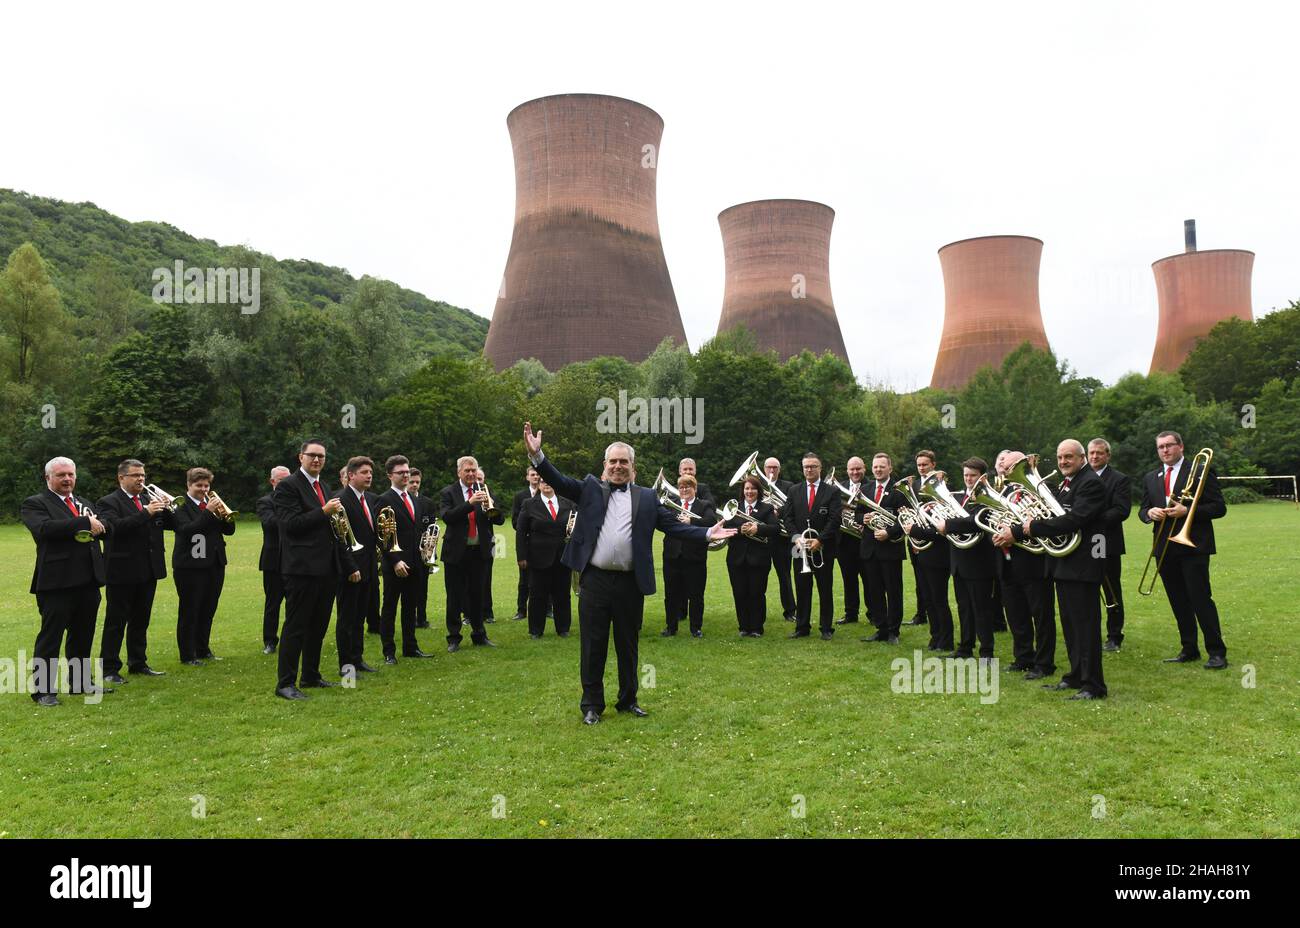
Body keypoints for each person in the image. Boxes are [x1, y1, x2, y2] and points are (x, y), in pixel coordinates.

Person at [524, 422, 734, 724]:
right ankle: (592, 705)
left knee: (628, 644)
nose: (618, 466)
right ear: (605, 465)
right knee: (592, 645)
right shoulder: (589, 489)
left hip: (629, 583)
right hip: (594, 580)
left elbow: (673, 526)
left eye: (624, 461)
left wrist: (705, 533)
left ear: (633, 467)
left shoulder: (647, 498)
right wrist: (537, 456)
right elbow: (557, 480)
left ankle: (628, 699)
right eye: (614, 461)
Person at [999, 440, 1109, 699]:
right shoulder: (1066, 483)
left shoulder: (1091, 483)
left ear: (1082, 457)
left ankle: (1093, 685)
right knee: (1071, 627)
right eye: (1060, 457)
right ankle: (1075, 676)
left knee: (1086, 628)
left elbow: (1073, 520)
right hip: (1064, 564)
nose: (1063, 462)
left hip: (1083, 565)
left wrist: (1027, 528)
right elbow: (1052, 515)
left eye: (1069, 457)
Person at [273, 439, 359, 699]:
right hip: (301, 568)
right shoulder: (288, 486)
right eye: (312, 455)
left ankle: (310, 675)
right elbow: (289, 525)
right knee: (296, 626)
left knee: (318, 626)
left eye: (321, 456)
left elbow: (333, 529)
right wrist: (323, 511)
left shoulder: (323, 486)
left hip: (327, 567)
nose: (317, 460)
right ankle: (285, 683)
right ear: (301, 457)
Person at [22, 456, 111, 706]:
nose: (67, 479)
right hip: (56, 583)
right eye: (61, 475)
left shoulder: (84, 503)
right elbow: (45, 529)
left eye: (71, 474)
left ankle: (80, 682)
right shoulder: (35, 504)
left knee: (83, 634)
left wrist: (102, 526)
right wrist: (85, 522)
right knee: (51, 638)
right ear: (48, 478)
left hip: (89, 580)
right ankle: (42, 691)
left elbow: (105, 528)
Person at [1137, 431, 1228, 669]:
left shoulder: (1199, 470)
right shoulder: (1151, 477)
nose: (1164, 450)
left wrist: (1187, 512)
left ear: (1180, 446)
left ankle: (1216, 652)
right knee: (1178, 600)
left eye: (1169, 446)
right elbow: (1142, 508)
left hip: (1193, 545)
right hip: (1164, 547)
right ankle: (1189, 648)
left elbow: (1219, 507)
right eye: (1160, 447)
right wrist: (1149, 513)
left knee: (1200, 598)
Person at [95, 459, 175, 683]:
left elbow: (172, 524)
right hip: (121, 570)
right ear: (122, 478)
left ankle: (138, 663)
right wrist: (146, 513)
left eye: (143, 475)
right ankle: (109, 669)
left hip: (148, 569)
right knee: (116, 621)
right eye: (135, 475)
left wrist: (168, 507)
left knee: (141, 620)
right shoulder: (108, 502)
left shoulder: (148, 499)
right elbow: (114, 528)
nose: (141, 479)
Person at [914, 460, 998, 660]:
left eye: (973, 475)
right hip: (959, 561)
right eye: (966, 475)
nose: (969, 479)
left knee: (981, 610)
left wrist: (948, 525)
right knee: (964, 607)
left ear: (982, 477)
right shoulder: (959, 497)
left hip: (979, 562)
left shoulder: (987, 497)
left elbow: (977, 521)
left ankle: (987, 652)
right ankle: (965, 649)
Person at [989, 451, 1056, 678]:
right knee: (1016, 614)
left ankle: (1045, 663)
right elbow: (996, 519)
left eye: (1012, 467)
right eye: (1006, 468)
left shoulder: (1040, 489)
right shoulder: (1005, 492)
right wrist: (997, 533)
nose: (1008, 472)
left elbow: (1045, 521)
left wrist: (1014, 534)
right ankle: (1023, 657)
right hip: (1007, 562)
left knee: (1041, 615)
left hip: (1033, 562)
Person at [172, 467, 235, 666]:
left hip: (214, 563)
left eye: (206, 485)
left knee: (208, 609)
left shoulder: (212, 503)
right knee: (190, 610)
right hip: (190, 566)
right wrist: (208, 513)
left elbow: (230, 530)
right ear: (189, 485)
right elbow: (187, 530)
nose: (203, 489)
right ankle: (187, 654)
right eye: (199, 485)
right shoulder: (180, 506)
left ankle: (202, 649)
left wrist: (224, 515)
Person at [438, 456, 502, 651]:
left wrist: (490, 508)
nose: (471, 474)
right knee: (455, 596)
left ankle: (479, 634)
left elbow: (498, 520)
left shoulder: (484, 490)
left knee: (477, 595)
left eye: (474, 470)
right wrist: (469, 503)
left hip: (479, 552)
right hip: (456, 553)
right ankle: (454, 638)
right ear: (459, 472)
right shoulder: (448, 492)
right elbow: (447, 517)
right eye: (467, 470)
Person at [375, 455, 432, 662]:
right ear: (390, 475)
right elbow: (382, 535)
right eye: (401, 472)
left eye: (407, 471)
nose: (406, 475)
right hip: (396, 564)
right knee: (389, 608)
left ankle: (410, 647)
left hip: (416, 562)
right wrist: (395, 560)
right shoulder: (384, 499)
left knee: (410, 607)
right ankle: (389, 652)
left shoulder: (414, 499)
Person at [783, 451, 842, 640]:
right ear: (803, 469)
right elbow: (788, 517)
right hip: (799, 548)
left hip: (822, 548)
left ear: (820, 468)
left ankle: (826, 628)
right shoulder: (794, 490)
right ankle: (802, 627)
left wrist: (820, 539)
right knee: (802, 588)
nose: (809, 469)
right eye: (806, 466)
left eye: (813, 466)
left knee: (825, 589)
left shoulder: (832, 491)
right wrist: (796, 537)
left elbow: (835, 518)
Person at [335, 456, 380, 676]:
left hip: (369, 568)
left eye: (370, 472)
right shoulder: (340, 500)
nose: (369, 475)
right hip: (350, 570)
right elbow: (339, 539)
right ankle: (346, 666)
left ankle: (357, 659)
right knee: (347, 619)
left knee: (360, 617)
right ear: (351, 475)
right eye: (364, 472)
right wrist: (351, 567)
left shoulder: (370, 499)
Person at [515, 478, 574, 638]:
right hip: (538, 557)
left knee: (562, 594)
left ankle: (563, 628)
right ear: (538, 485)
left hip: (563, 557)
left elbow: (574, 529)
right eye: (542, 481)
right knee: (537, 595)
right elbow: (521, 532)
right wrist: (521, 556)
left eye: (548, 480)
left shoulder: (568, 504)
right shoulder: (528, 504)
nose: (546, 483)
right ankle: (536, 630)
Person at [1088, 439, 1132, 652]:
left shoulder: (1119, 479)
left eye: (1099, 453)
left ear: (1108, 455)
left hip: (1106, 541)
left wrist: (1090, 521)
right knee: (1087, 589)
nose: (1094, 457)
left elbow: (1121, 510)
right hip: (1082, 542)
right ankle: (1090, 632)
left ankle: (1115, 635)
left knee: (1111, 589)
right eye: (1091, 453)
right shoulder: (1080, 476)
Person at [859, 453, 906, 644]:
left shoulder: (899, 491)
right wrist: (862, 518)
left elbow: (906, 520)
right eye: (875, 466)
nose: (878, 469)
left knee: (893, 591)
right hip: (870, 548)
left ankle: (894, 631)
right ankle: (881, 628)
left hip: (890, 548)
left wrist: (889, 532)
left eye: (882, 466)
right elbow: (857, 513)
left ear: (890, 469)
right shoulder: (866, 488)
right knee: (874, 590)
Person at [660, 474, 716, 637]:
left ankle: (695, 628)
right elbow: (663, 523)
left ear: (695, 489)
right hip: (672, 556)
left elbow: (711, 522)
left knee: (696, 595)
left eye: (687, 487)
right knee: (671, 594)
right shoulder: (672, 505)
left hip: (695, 557)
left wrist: (691, 522)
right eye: (681, 487)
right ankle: (671, 627)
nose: (684, 490)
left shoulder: (704, 505)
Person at [724, 475, 779, 637]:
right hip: (736, 558)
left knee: (756, 593)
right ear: (743, 491)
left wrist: (758, 529)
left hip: (759, 559)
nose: (749, 491)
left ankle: (756, 628)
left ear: (758, 491)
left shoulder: (766, 508)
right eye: (747, 488)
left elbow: (775, 529)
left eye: (753, 488)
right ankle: (743, 627)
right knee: (739, 593)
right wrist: (741, 529)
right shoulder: (734, 507)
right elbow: (726, 527)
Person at [257, 465, 290, 653]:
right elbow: (270, 523)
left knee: (295, 602)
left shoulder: (296, 499)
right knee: (272, 603)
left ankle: (292, 638)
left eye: (287, 480)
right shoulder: (265, 501)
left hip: (294, 559)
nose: (285, 484)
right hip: (273, 561)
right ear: (272, 482)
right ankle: (270, 641)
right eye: (280, 481)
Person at [835, 456, 869, 626]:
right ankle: (851, 613)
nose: (855, 472)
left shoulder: (870, 486)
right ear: (847, 470)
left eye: (858, 469)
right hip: (845, 541)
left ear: (864, 469)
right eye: (852, 469)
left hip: (865, 541)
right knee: (848, 579)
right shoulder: (838, 487)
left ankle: (874, 613)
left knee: (870, 579)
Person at [763, 456, 797, 622]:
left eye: (775, 467)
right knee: (759, 576)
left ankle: (790, 611)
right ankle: (757, 610)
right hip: (762, 538)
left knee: (784, 575)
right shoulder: (757, 486)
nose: (771, 470)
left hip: (782, 539)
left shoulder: (788, 486)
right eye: (769, 467)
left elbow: (792, 505)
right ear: (764, 469)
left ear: (779, 469)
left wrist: (777, 511)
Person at [907, 451, 938, 626]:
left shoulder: (939, 483)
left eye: (925, 464)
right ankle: (921, 614)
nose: (921, 468)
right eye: (919, 465)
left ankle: (929, 615)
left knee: (931, 584)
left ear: (933, 464)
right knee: (920, 580)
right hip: (915, 538)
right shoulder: (915, 484)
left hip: (932, 538)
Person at [510, 465, 541, 621]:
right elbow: (515, 520)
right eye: (533, 474)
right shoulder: (520, 496)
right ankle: (521, 610)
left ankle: (547, 609)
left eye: (538, 475)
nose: (536, 477)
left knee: (545, 576)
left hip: (543, 543)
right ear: (527, 477)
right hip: (527, 542)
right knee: (524, 579)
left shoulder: (548, 493)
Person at [407, 467, 432, 630]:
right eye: (412, 482)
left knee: (423, 586)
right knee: (409, 588)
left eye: (417, 482)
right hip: (408, 551)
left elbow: (431, 527)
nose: (415, 485)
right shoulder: (402, 501)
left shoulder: (427, 503)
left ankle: (422, 618)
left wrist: (430, 552)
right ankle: (410, 618)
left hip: (423, 551)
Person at [477, 466, 498, 624]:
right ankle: (469, 615)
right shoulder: (465, 497)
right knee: (467, 582)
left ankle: (487, 612)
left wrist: (489, 506)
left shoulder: (490, 496)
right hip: (467, 544)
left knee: (486, 579)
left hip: (486, 543)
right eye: (476, 479)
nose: (478, 481)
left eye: (480, 479)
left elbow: (500, 520)